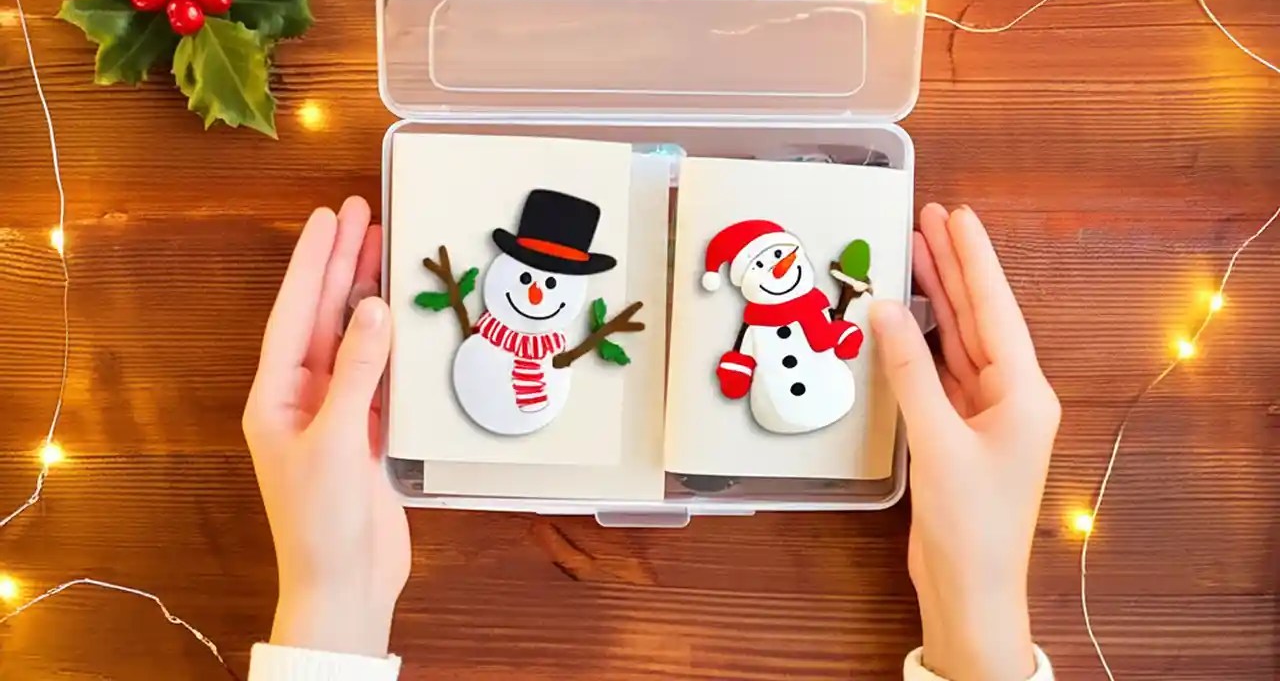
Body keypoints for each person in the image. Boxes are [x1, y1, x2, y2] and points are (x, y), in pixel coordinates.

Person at [241, 197, 1060, 681]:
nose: (533, 290)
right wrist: (976, 602)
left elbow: (787, 341)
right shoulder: (497, 324)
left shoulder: (800, 304)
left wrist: (332, 601)